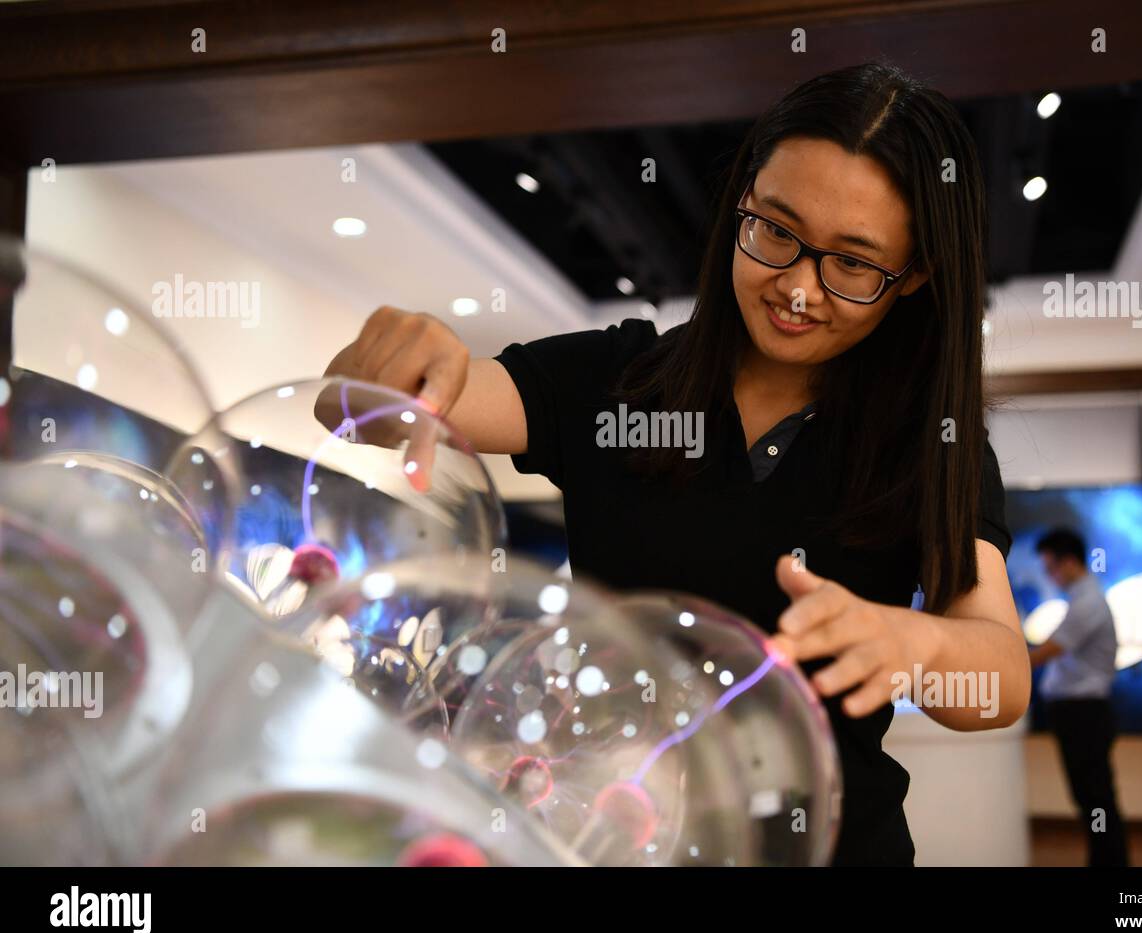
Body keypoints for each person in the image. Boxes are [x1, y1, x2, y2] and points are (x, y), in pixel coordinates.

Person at [322, 61, 1031, 866]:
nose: (797, 287)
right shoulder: (616, 382)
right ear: (742, 202)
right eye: (775, 230)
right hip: (615, 841)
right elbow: (376, 405)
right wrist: (392, 373)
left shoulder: (928, 443)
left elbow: (997, 681)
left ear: (916, 278)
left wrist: (911, 643)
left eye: (853, 264)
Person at [1030, 527, 1130, 866]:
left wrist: (998, 660)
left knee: (1095, 796)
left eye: (1050, 567)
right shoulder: (1081, 599)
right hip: (1078, 713)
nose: (1049, 575)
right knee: (1090, 795)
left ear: (1069, 562)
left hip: (1083, 714)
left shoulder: (1087, 602)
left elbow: (1048, 651)